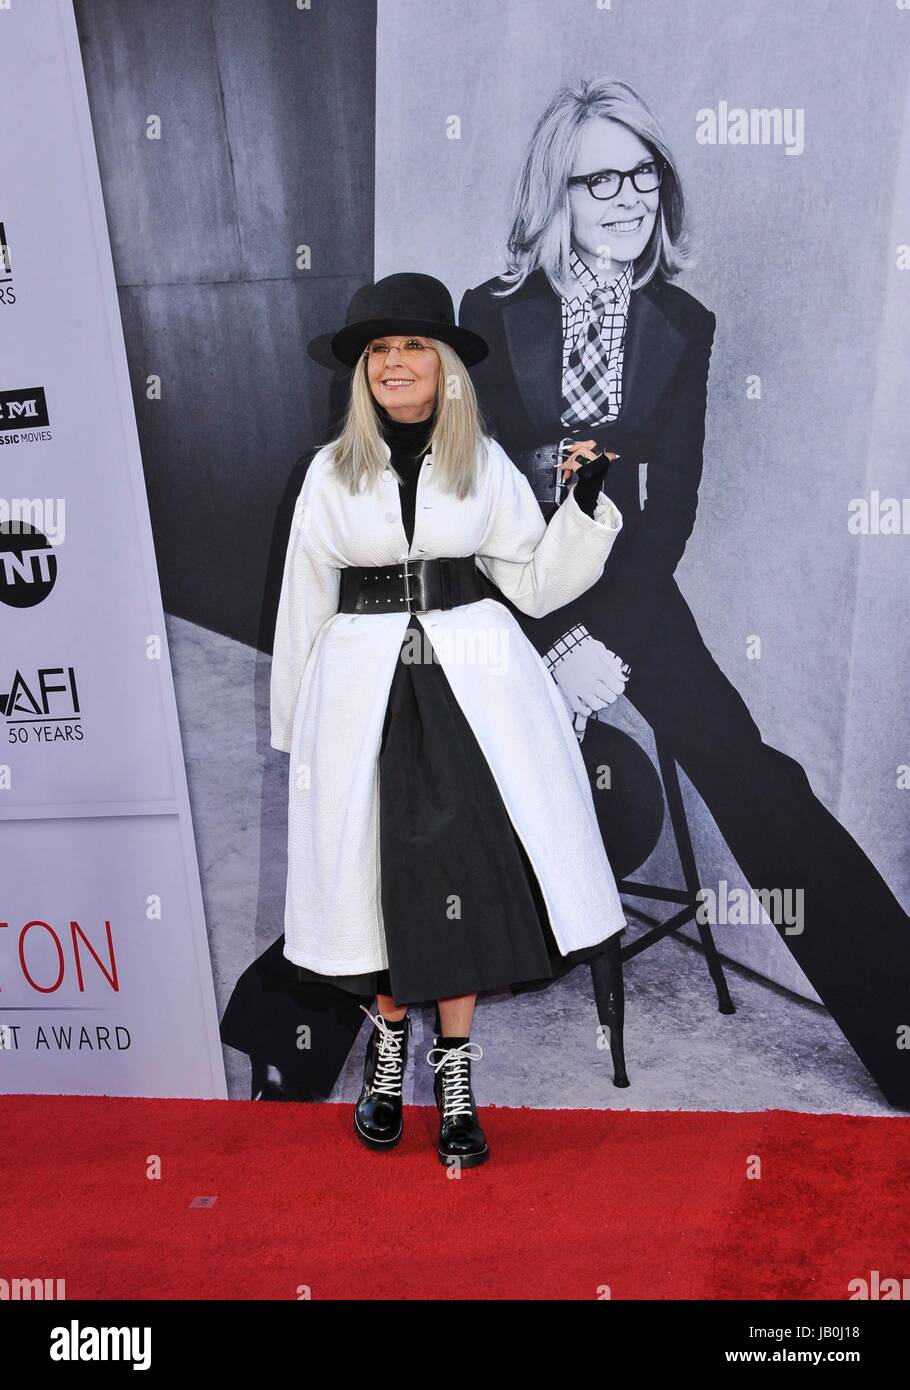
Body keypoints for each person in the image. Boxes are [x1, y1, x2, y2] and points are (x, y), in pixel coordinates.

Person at [458, 75, 910, 1110]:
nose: (627, 197)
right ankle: (301, 1016)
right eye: (598, 179)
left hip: (624, 584)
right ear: (555, 195)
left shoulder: (679, 320)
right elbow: (473, 485)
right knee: (419, 753)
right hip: (505, 578)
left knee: (748, 770)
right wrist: (545, 636)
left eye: (644, 174)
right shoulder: (487, 311)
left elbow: (674, 503)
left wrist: (604, 640)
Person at [269, 272, 628, 1166]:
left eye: (413, 347)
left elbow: (537, 582)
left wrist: (581, 508)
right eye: (379, 350)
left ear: (443, 368)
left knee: (460, 870)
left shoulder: (485, 464)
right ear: (363, 372)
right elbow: (301, 605)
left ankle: (457, 1069)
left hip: (471, 692)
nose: (395, 363)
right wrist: (296, 738)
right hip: (363, 697)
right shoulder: (326, 473)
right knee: (374, 867)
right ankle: (389, 1052)